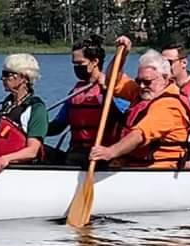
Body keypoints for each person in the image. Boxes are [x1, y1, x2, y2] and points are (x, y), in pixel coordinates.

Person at [89, 39, 190, 169]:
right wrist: (122, 55)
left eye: (147, 82)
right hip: (134, 164)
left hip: (158, 168)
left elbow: (140, 134)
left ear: (165, 78)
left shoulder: (169, 106)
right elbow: (112, 81)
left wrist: (110, 152)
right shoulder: (142, 93)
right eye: (138, 81)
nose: (141, 86)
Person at [47, 34, 130, 167]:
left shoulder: (113, 90)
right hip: (75, 152)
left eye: (80, 64)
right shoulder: (75, 93)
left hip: (100, 156)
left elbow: (123, 120)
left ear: (95, 62)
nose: (76, 68)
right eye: (74, 64)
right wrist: (32, 127)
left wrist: (105, 91)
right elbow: (57, 126)